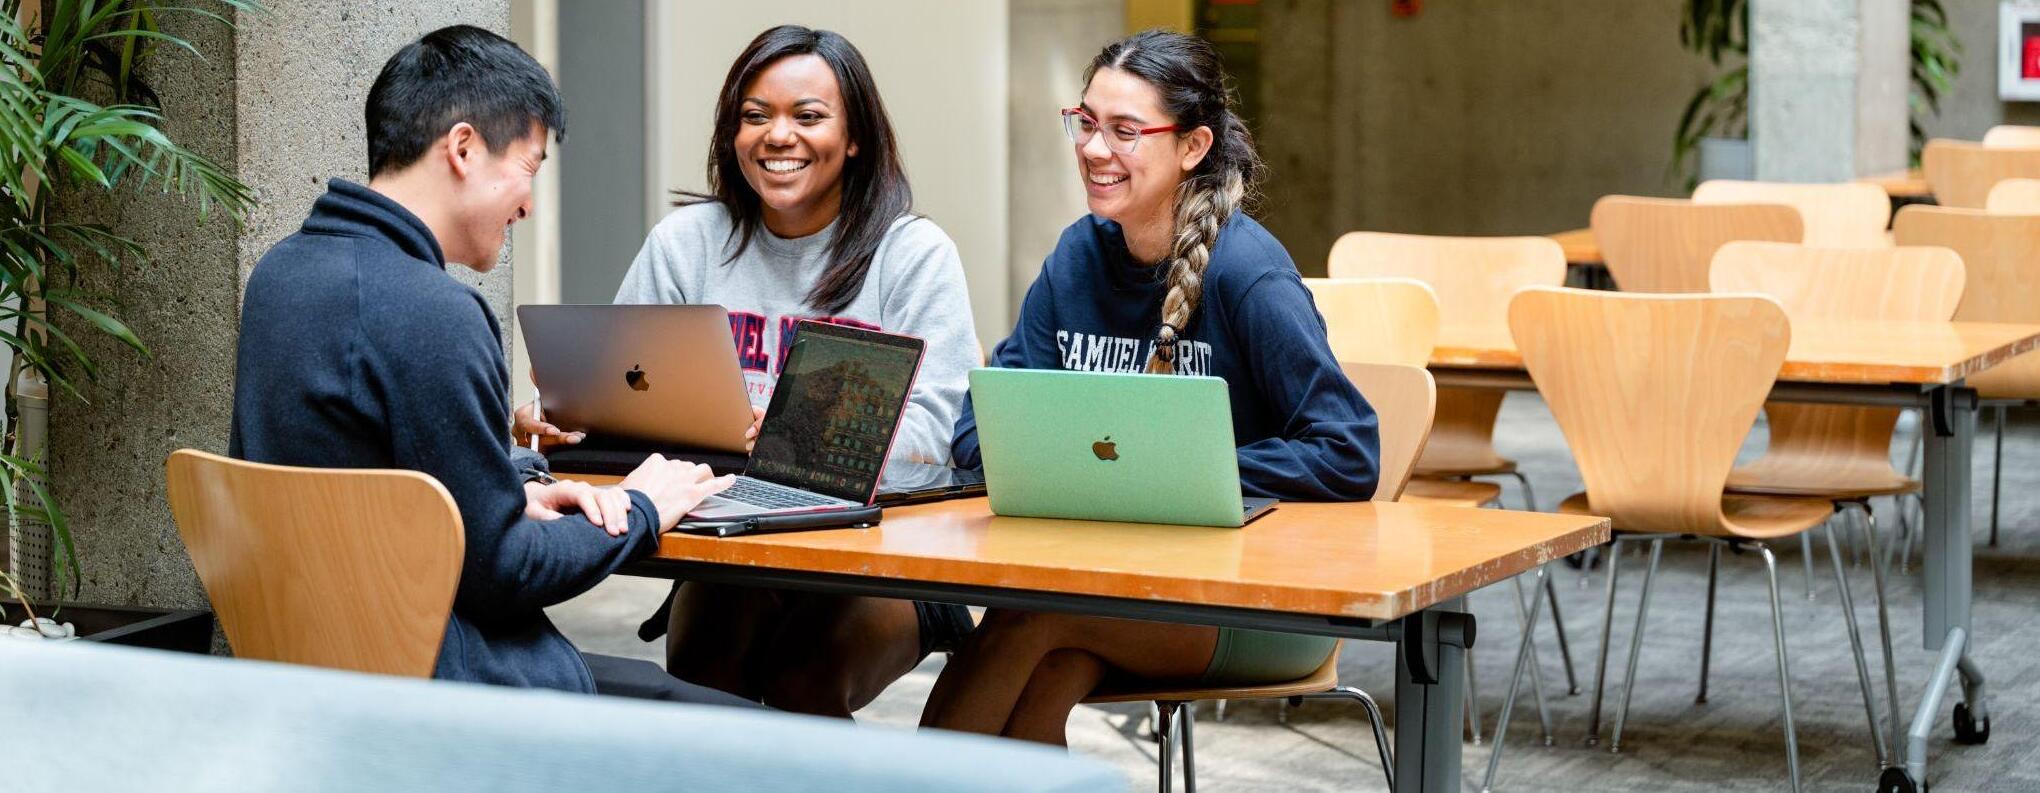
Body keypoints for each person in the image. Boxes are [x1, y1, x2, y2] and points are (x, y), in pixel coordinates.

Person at [229, 25, 747, 704]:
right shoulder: (431, 310)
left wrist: (514, 484)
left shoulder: (281, 275)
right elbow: (502, 571)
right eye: (530, 166)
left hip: (327, 674)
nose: (529, 203)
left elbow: (374, 477)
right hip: (456, 690)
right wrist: (645, 505)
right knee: (778, 742)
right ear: (464, 148)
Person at [919, 30, 1381, 744]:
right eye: (1086, 123)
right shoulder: (1078, 255)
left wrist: (1178, 475)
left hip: (1255, 606)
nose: (1094, 150)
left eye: (1125, 131)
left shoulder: (1246, 273)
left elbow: (1349, 449)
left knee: (1032, 614)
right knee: (1045, 669)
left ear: (1192, 146)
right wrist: (1057, 464)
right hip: (1106, 582)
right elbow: (982, 428)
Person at [515, 25, 981, 716]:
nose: (777, 136)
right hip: (730, 536)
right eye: (755, 116)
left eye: (809, 116)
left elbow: (929, 440)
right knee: (703, 689)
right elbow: (618, 383)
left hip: (880, 556)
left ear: (855, 138)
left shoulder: (912, 255)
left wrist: (797, 437)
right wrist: (558, 417)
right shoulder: (688, 243)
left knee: (804, 681)